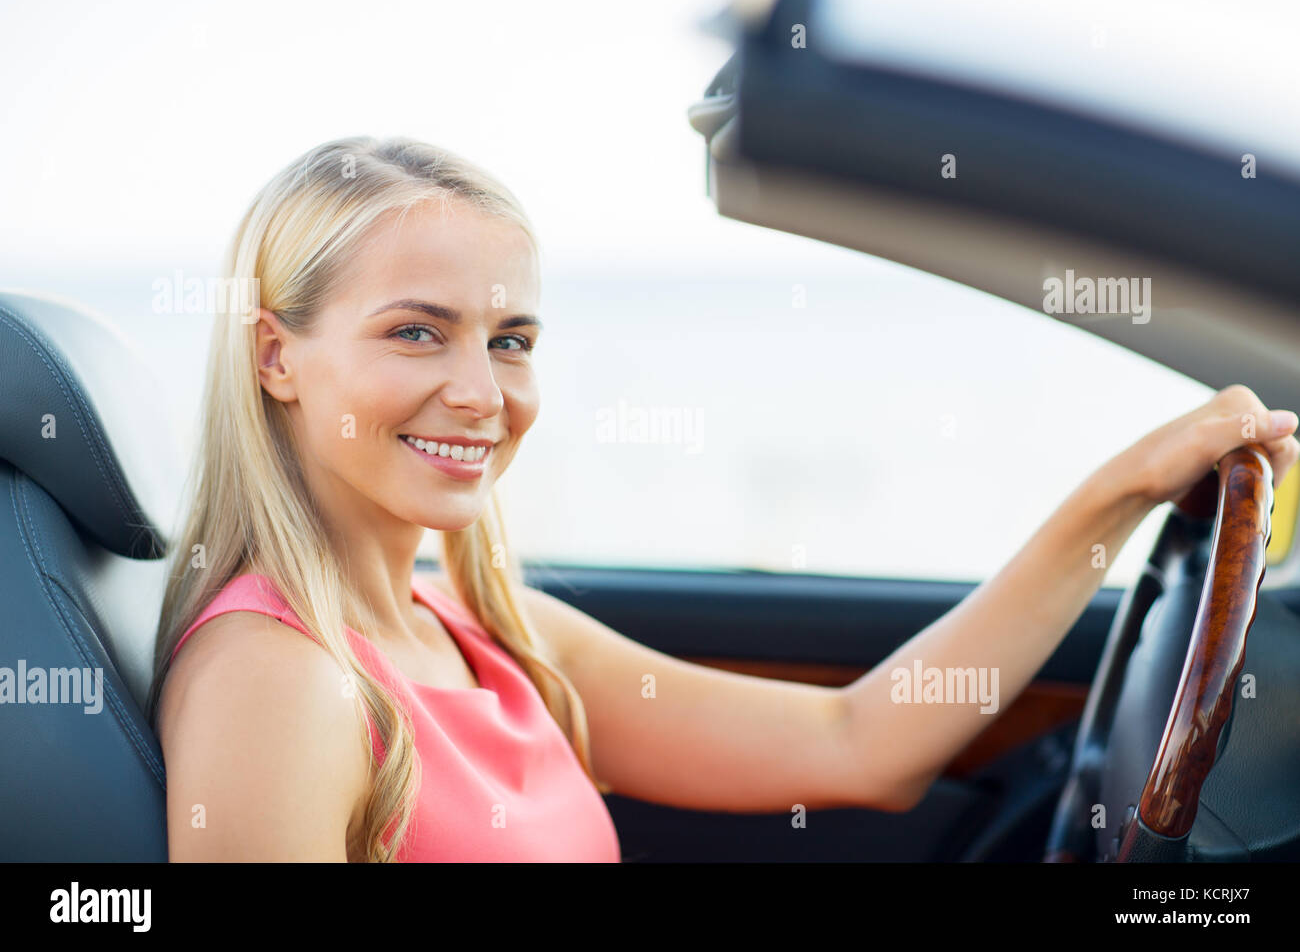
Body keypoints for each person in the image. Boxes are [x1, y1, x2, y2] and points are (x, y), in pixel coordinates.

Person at [149, 136, 1300, 862]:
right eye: (416, 332)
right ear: (275, 356)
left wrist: (1122, 490)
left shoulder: (490, 629)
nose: (480, 392)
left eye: (511, 339)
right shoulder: (278, 678)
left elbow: (859, 744)